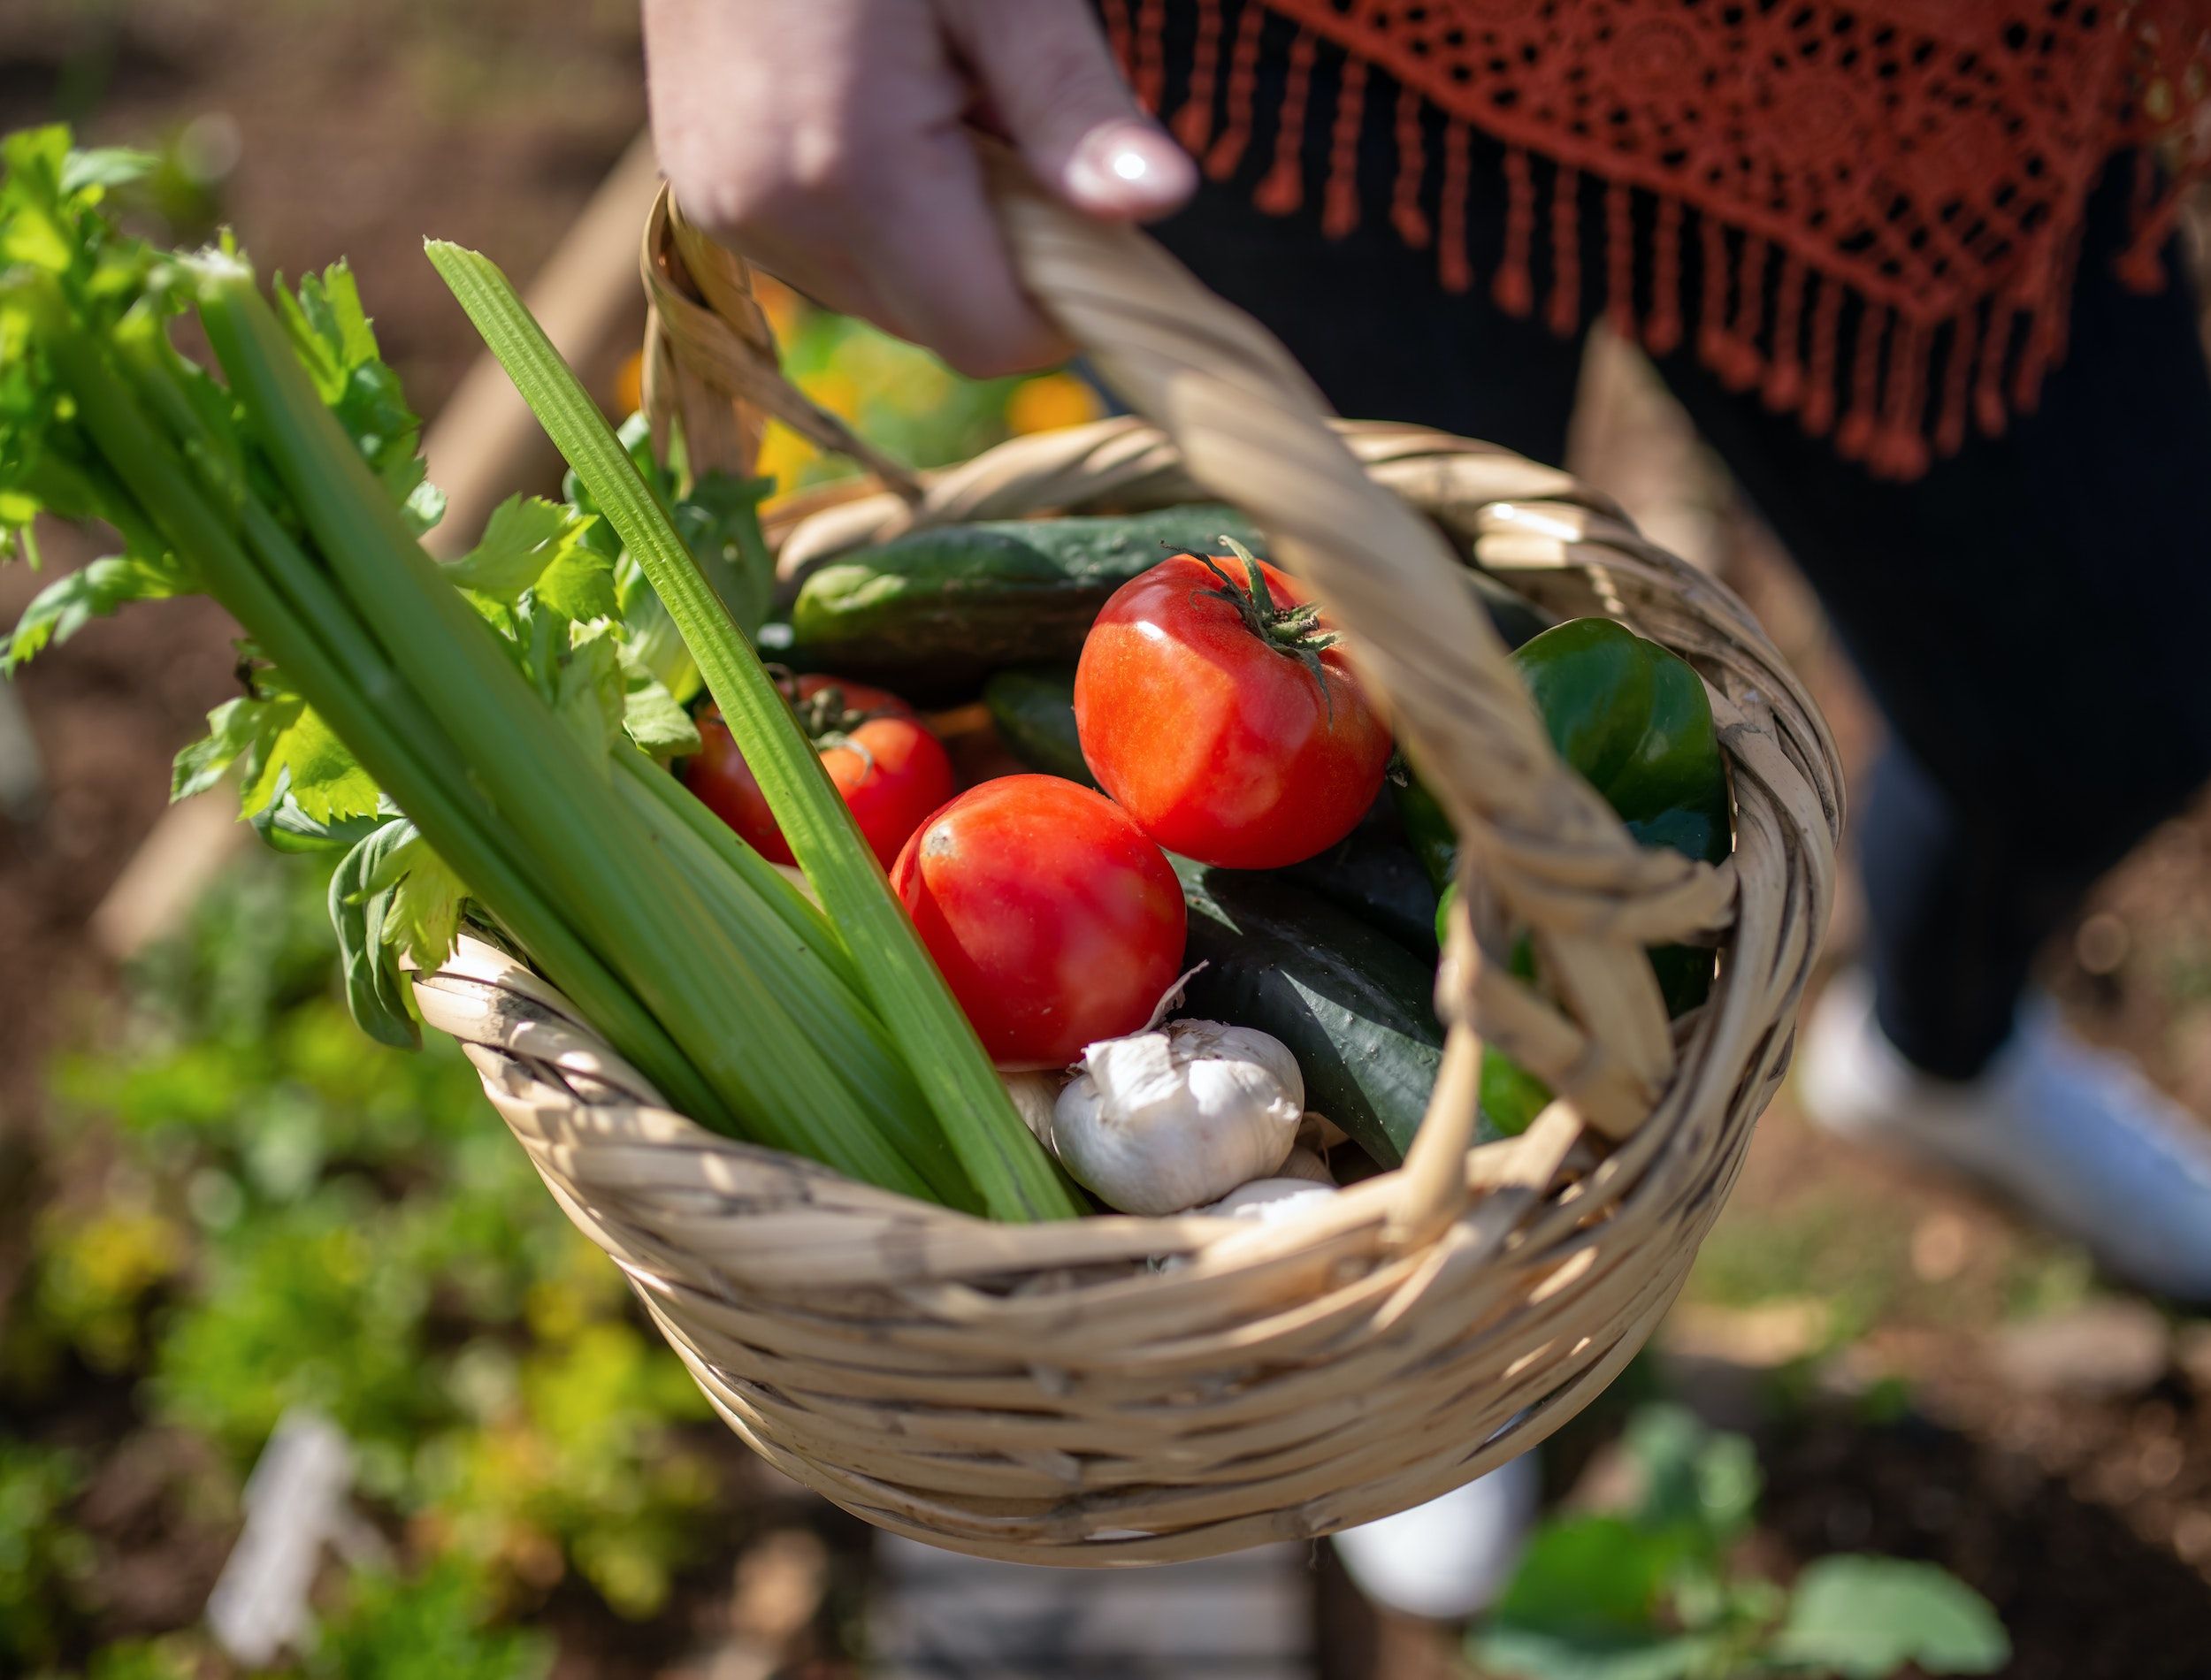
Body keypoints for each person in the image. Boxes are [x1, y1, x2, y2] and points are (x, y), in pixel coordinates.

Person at [642, 0, 2211, 1612]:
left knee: (2122, 692)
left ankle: (1938, 1046)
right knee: (1386, 565)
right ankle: (1415, 1330)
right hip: (1306, 59)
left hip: (1919, 62)